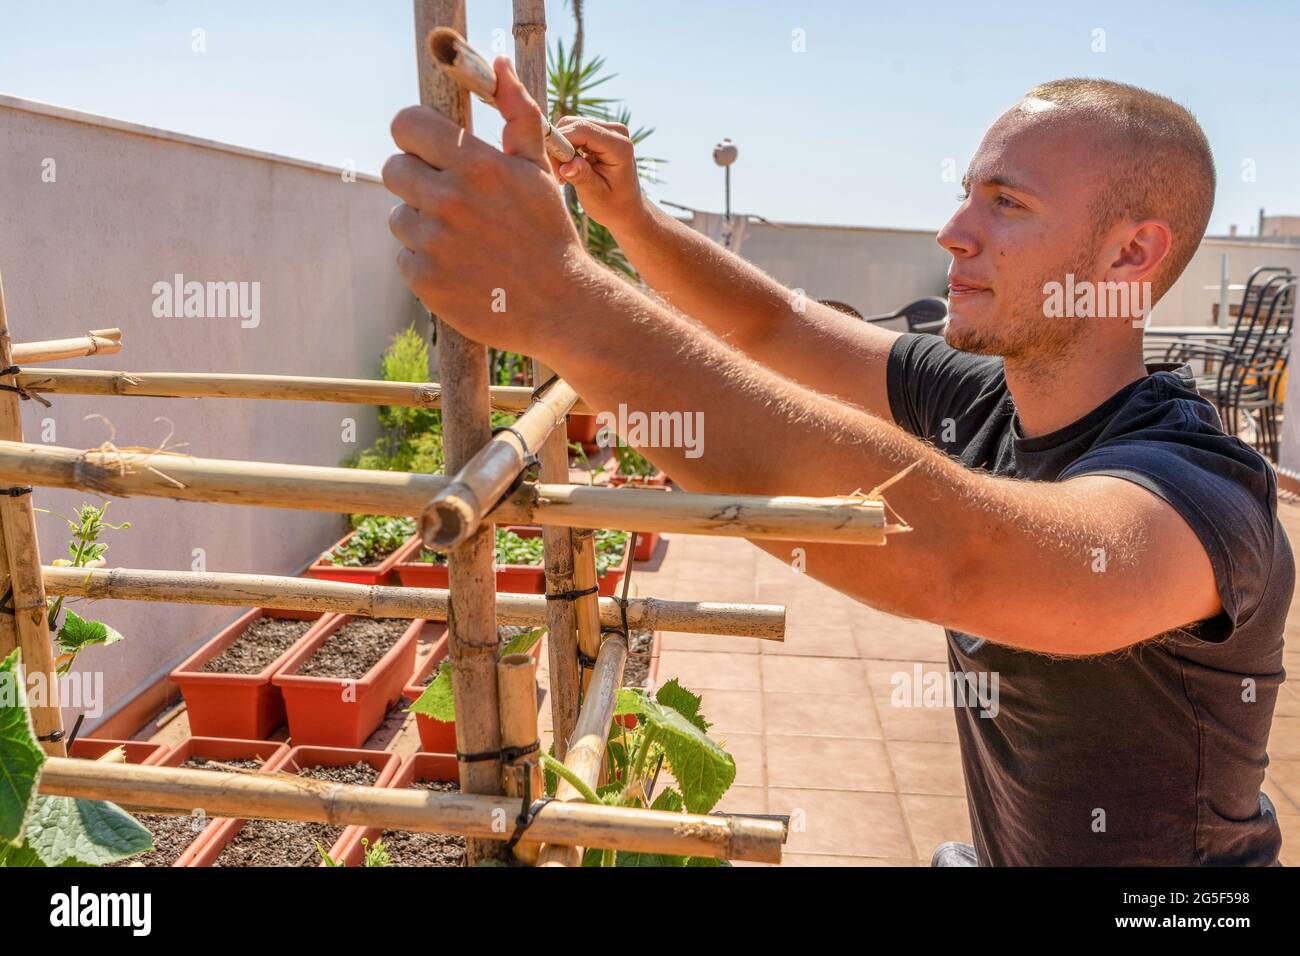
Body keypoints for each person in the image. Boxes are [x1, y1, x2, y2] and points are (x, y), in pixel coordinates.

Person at [382, 64, 1290, 866]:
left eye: (1006, 203)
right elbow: (774, 327)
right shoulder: (983, 397)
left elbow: (956, 556)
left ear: (1130, 253)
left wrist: (560, 300)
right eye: (969, 192)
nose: (953, 230)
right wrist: (627, 216)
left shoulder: (1205, 496)